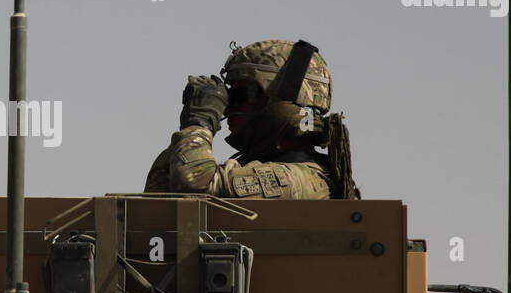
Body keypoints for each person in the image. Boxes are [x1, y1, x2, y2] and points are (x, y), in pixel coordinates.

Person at [143, 39, 358, 199]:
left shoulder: (298, 181)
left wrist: (199, 124)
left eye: (239, 97)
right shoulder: (270, 170)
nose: (227, 110)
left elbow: (193, 185)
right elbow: (159, 193)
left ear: (281, 101)